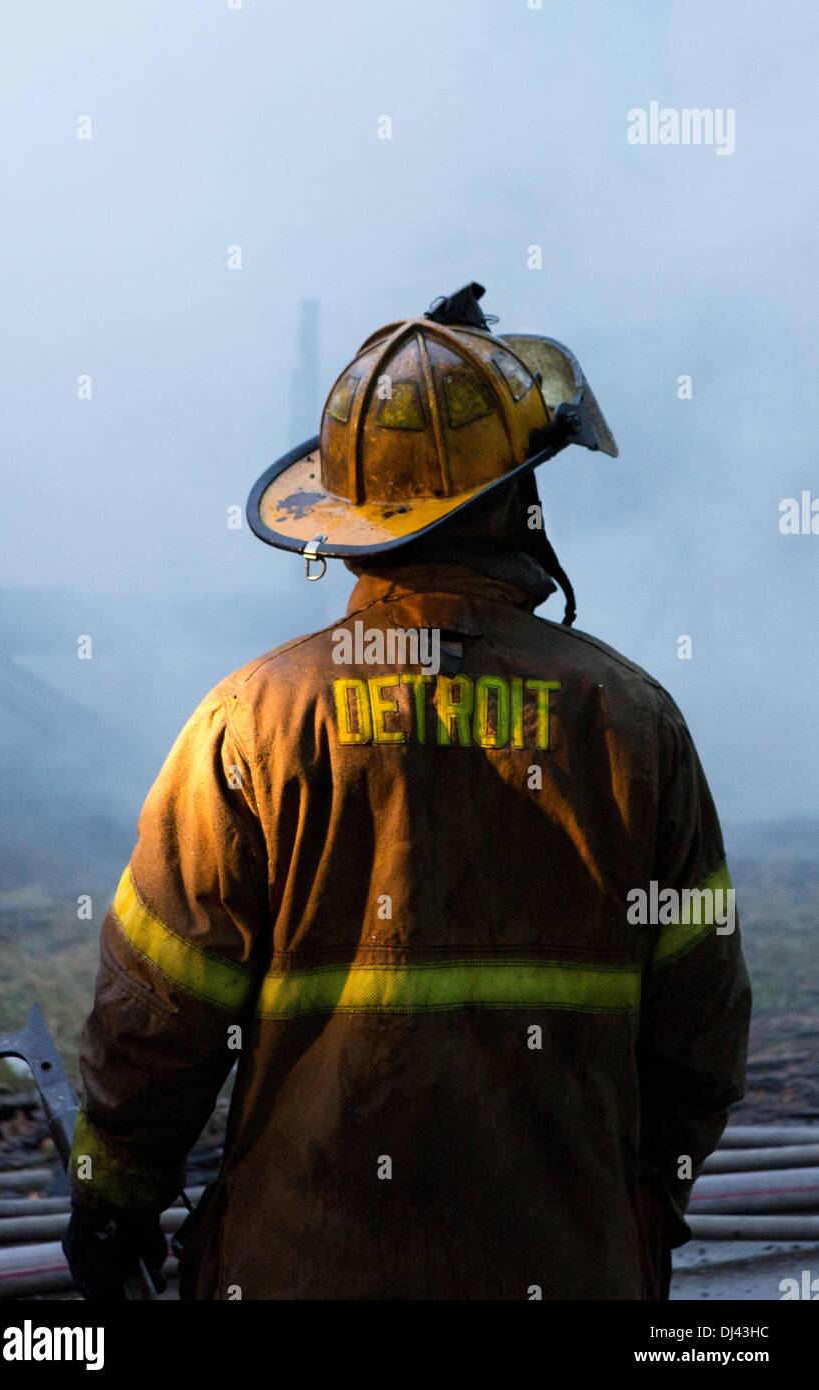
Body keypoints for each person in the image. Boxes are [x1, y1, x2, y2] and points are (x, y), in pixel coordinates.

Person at [63, 285, 751, 1300]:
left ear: (347, 519)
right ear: (519, 501)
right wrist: (642, 1204)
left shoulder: (250, 721)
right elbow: (700, 1023)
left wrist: (112, 1197)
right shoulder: (632, 722)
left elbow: (157, 1014)